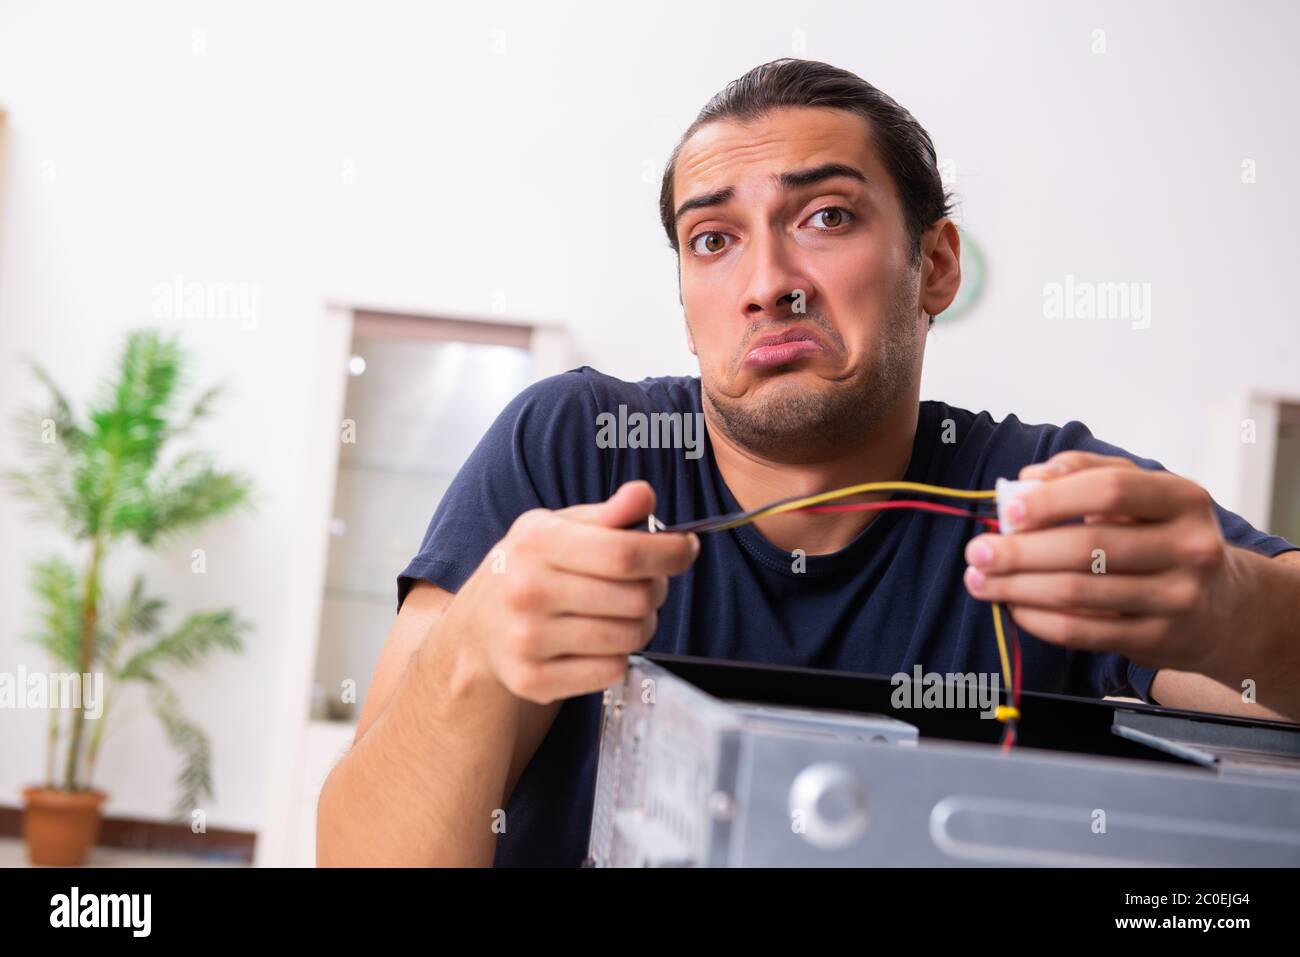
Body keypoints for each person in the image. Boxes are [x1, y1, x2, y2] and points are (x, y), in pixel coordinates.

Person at [316, 59, 1300, 867]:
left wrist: (1237, 610)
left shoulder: (1041, 496)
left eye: (825, 217)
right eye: (713, 240)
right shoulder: (575, 446)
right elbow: (360, 853)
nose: (767, 283)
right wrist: (475, 652)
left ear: (937, 265)